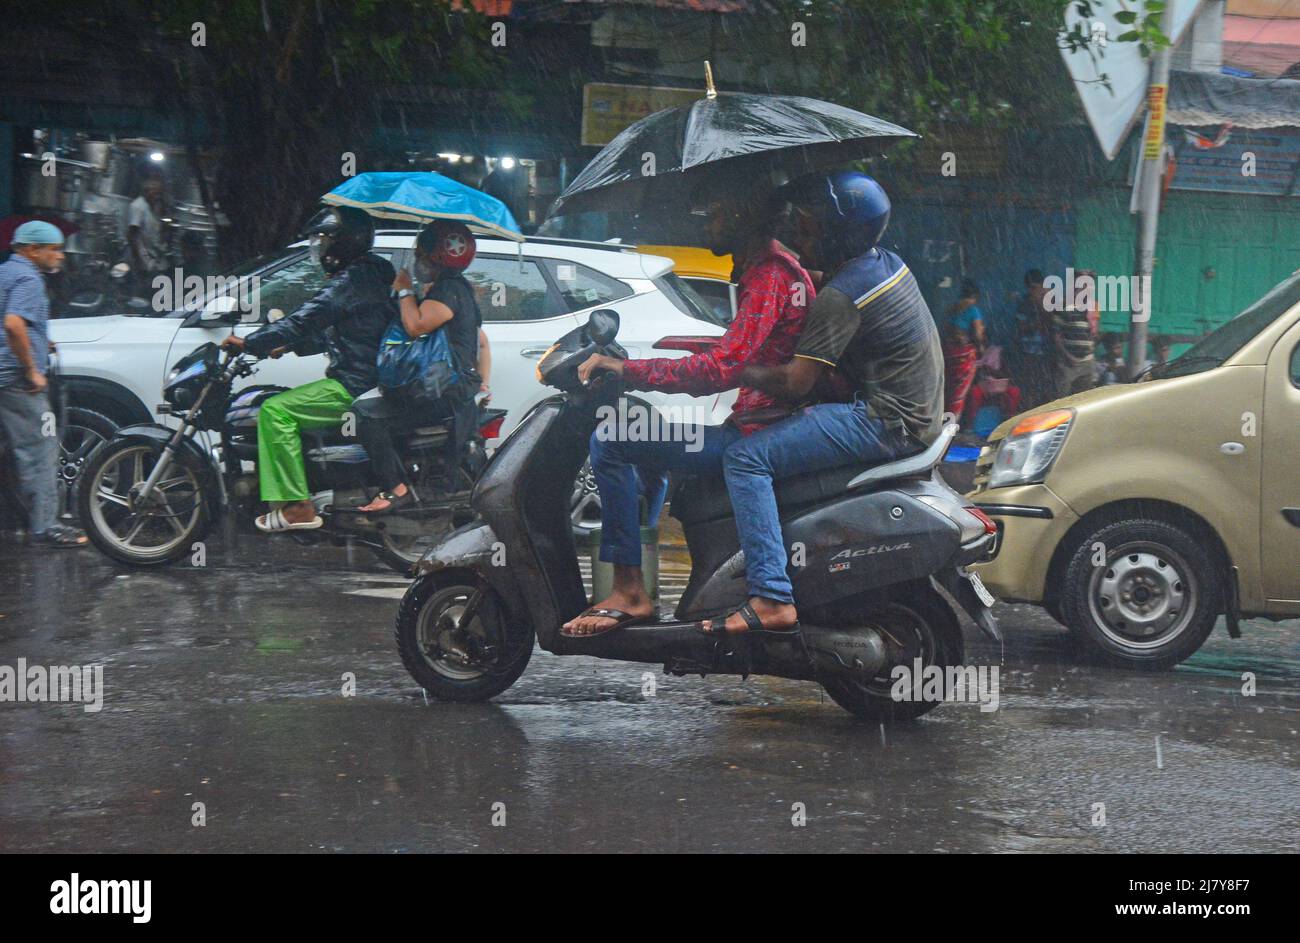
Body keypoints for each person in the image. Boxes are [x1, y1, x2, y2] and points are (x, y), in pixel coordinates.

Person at [560, 187, 814, 637]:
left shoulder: (771, 276)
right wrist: (678, 350)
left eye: (714, 209)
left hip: (755, 433)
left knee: (613, 440)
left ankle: (630, 591)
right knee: (644, 443)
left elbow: (722, 369)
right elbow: (745, 351)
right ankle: (637, 578)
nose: (706, 219)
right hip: (759, 423)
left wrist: (629, 369)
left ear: (740, 212)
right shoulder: (766, 271)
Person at [702, 171, 944, 636]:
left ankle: (771, 595)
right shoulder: (882, 263)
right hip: (910, 412)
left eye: (811, 227)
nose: (800, 233)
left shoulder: (842, 295)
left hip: (882, 421)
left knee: (746, 458)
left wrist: (729, 367)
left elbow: (794, 383)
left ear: (838, 234)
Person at [220, 206, 393, 532]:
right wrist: (288, 346)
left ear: (343, 244)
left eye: (324, 241)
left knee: (274, 412)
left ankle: (298, 506)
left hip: (355, 384)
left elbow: (306, 318)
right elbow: (345, 330)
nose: (320, 250)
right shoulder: (371, 274)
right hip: (366, 376)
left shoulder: (351, 281)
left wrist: (251, 343)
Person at [353, 221, 484, 514]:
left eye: (421, 254)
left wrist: (404, 291)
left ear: (436, 257)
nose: (417, 261)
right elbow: (479, 341)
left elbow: (416, 325)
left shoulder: (449, 290)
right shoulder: (453, 288)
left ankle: (397, 489)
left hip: (444, 393)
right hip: (450, 391)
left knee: (365, 417)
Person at [0, 221, 87, 546]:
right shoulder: (28, 278)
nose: (60, 256)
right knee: (41, 447)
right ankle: (46, 527)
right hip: (15, 380)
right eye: (54, 249)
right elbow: (12, 324)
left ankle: (20, 522)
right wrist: (32, 369)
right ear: (32, 249)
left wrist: (41, 341)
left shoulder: (6, 272)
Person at [943, 279, 985, 422]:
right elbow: (978, 335)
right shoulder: (973, 310)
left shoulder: (952, 308)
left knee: (950, 390)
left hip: (949, 353)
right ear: (976, 296)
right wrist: (981, 348)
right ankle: (952, 427)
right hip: (964, 355)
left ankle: (946, 422)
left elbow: (946, 329)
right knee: (960, 394)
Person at [1051, 273, 1097, 397]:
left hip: (1087, 363)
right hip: (1067, 365)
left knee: (1084, 402)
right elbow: (1056, 337)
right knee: (1061, 401)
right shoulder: (1063, 306)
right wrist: (1069, 357)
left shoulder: (1092, 308)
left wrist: (1089, 353)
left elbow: (1093, 335)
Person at [1013, 268, 1053, 407]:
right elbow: (1021, 328)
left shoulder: (1050, 302)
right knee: (1029, 388)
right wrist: (1036, 323)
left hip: (1047, 353)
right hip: (1028, 353)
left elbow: (1054, 323)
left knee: (1047, 388)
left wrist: (1042, 305)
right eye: (1030, 288)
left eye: (1035, 287)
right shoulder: (1024, 304)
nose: (1032, 291)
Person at [128, 170, 169, 301]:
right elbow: (132, 235)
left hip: (156, 257)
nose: (157, 196)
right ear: (146, 191)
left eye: (159, 193)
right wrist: (139, 261)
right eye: (155, 193)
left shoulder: (156, 205)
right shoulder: (138, 206)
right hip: (144, 259)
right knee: (143, 295)